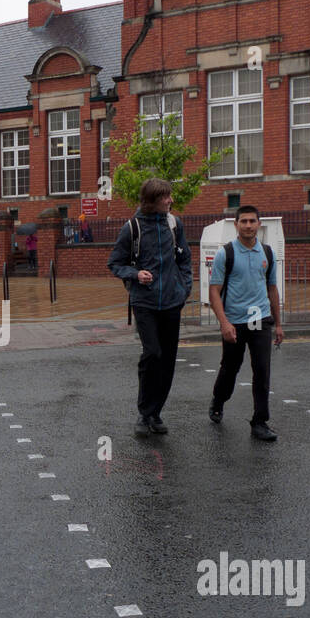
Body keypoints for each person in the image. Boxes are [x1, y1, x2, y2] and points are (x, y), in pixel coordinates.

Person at [107, 177, 193, 437]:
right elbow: (115, 263)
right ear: (152, 201)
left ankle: (156, 414)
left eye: (169, 196)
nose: (171, 200)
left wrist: (184, 288)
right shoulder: (131, 228)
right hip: (144, 302)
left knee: (167, 360)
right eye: (165, 197)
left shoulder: (174, 224)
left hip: (171, 302)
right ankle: (144, 412)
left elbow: (185, 259)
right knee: (152, 353)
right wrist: (135, 275)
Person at [208, 205, 285, 442]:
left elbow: (272, 289)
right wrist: (224, 323)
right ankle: (218, 401)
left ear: (258, 224)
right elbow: (214, 291)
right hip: (235, 321)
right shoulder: (226, 253)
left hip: (260, 320)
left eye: (252, 221)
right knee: (230, 368)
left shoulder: (268, 253)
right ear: (236, 225)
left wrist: (279, 324)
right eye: (244, 221)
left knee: (262, 370)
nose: (249, 225)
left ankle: (260, 422)